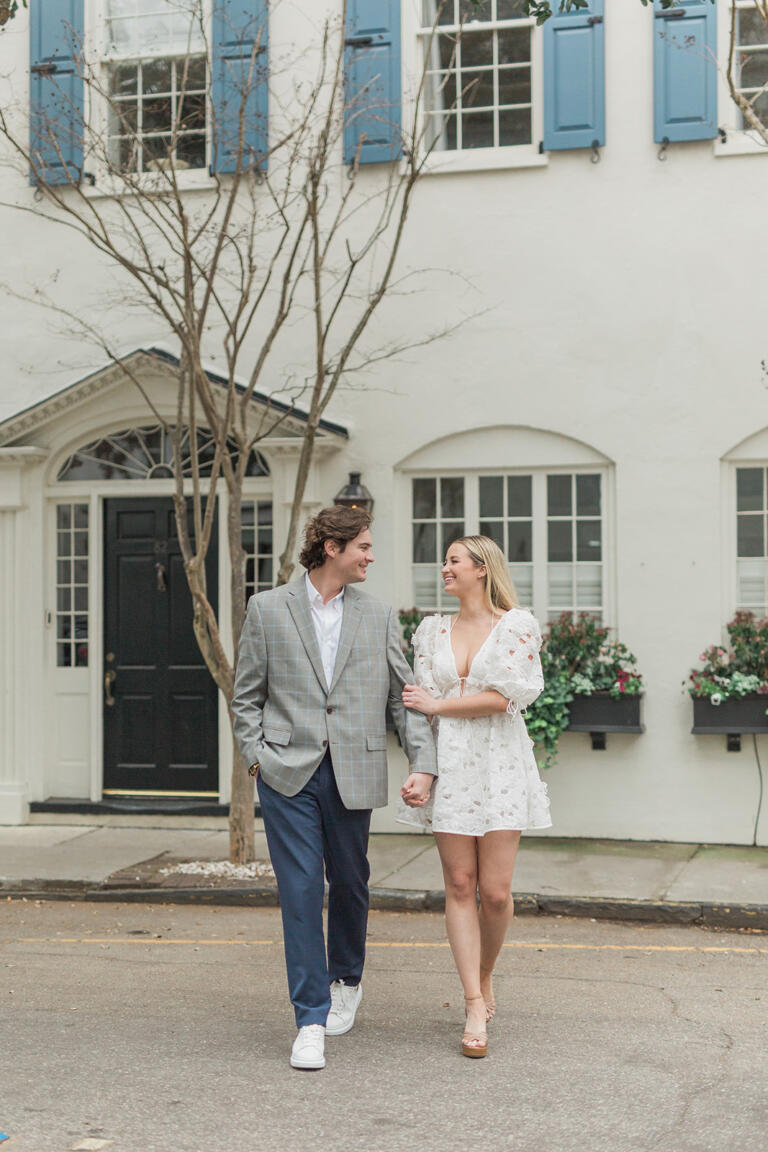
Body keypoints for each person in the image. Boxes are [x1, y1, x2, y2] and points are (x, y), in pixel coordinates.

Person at [231, 505, 436, 1071]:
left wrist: (423, 762)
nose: (371, 556)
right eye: (364, 547)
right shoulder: (268, 609)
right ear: (331, 547)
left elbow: (402, 697)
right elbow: (245, 695)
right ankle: (310, 1019)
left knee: (349, 882)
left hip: (355, 769)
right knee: (299, 890)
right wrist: (257, 760)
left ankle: (347, 976)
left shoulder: (377, 615)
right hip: (286, 773)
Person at [399, 535, 551, 1059]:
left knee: (497, 891)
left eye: (454, 561)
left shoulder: (516, 626)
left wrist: (439, 706)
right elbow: (414, 705)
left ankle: (487, 973)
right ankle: (471, 1002)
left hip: (500, 764)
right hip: (451, 765)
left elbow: (505, 698)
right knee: (459, 884)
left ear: (482, 570)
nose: (444, 568)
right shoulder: (430, 630)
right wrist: (422, 768)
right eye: (445, 561)